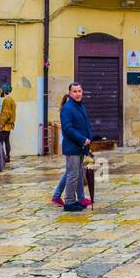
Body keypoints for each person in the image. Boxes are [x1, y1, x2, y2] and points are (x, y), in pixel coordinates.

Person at [58, 82, 93, 212]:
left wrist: (90, 136)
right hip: (72, 147)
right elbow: (68, 129)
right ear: (70, 93)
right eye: (75, 91)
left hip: (81, 146)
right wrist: (82, 139)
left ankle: (76, 200)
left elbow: (86, 124)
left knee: (78, 175)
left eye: (79, 91)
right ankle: (69, 202)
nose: (78, 94)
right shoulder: (67, 108)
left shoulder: (81, 106)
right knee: (72, 175)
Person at [0, 84, 17, 166]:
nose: (0, 91)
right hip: (8, 124)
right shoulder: (11, 99)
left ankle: (2, 157)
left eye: (1, 90)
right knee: (6, 140)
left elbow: (6, 113)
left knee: (0, 141)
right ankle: (7, 157)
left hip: (6, 125)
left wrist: (1, 124)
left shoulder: (7, 100)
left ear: (4, 91)